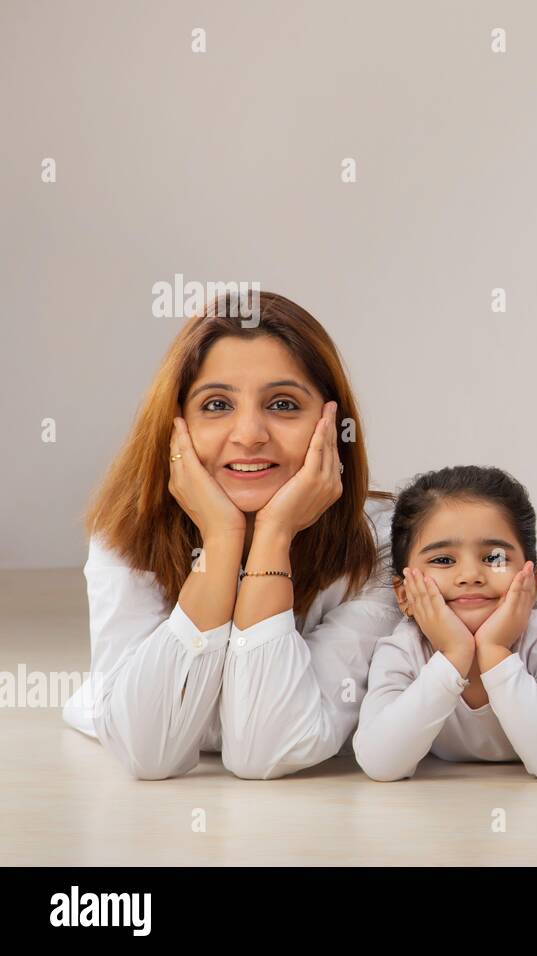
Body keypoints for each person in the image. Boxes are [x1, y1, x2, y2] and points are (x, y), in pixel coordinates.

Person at [63, 291, 402, 779]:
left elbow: (267, 750)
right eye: (217, 404)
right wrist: (221, 542)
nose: (249, 434)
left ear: (330, 423)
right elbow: (147, 753)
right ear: (176, 424)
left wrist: (274, 535)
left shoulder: (381, 544)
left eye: (283, 404)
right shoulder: (126, 529)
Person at [352, 466, 537, 782]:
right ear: (404, 594)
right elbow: (381, 763)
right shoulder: (402, 649)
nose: (470, 575)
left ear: (532, 581)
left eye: (494, 558)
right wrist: (453, 655)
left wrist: (495, 651)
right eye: (444, 560)